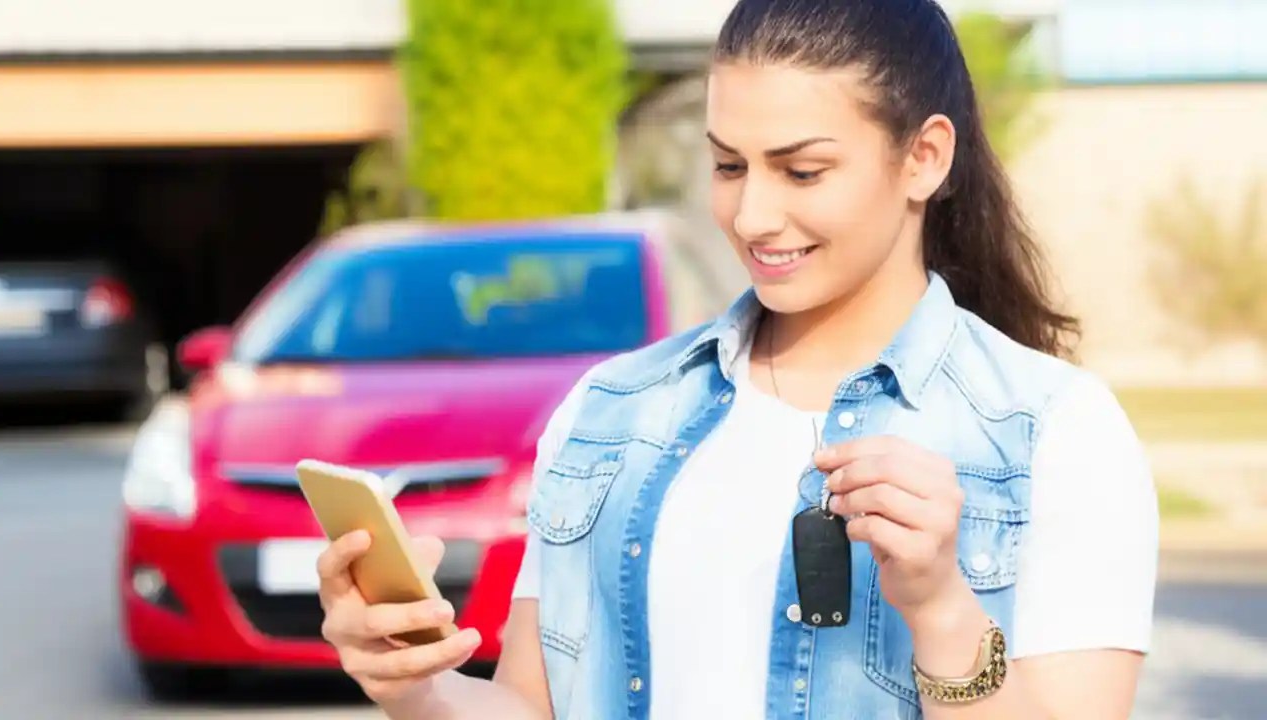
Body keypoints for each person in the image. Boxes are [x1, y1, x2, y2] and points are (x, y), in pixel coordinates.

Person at [314, 0, 1159, 717]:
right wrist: (418, 687)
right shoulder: (611, 411)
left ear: (924, 158)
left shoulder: (1056, 433)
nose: (753, 215)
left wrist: (940, 609)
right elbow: (532, 702)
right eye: (727, 165)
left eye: (802, 170)